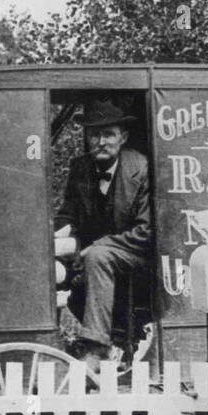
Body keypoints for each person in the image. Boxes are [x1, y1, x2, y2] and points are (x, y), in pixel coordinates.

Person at [54, 98, 153, 367]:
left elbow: (146, 232)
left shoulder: (142, 169)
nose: (101, 141)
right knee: (56, 268)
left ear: (123, 138)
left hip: (139, 256)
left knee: (97, 257)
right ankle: (52, 341)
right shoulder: (80, 168)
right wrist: (57, 237)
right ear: (87, 137)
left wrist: (99, 246)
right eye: (95, 134)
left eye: (108, 134)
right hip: (93, 254)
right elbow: (68, 214)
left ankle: (96, 349)